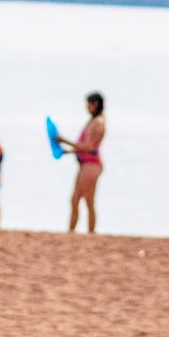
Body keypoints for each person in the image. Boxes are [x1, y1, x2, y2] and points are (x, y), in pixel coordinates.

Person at [56, 92, 106, 234]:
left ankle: (83, 232)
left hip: (91, 164)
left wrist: (64, 140)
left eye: (88, 104)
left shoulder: (98, 123)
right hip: (88, 163)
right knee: (81, 200)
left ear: (95, 104)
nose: (87, 107)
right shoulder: (94, 121)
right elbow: (87, 147)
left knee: (83, 200)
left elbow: (88, 147)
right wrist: (69, 151)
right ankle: (79, 232)